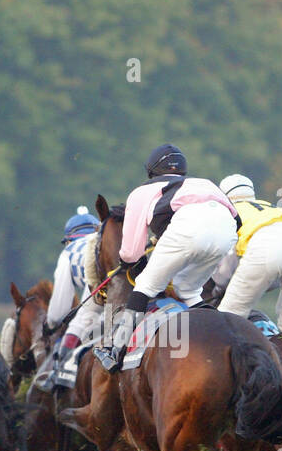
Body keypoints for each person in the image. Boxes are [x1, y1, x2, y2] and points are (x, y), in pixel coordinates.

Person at [94, 144, 239, 372]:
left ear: (151, 170)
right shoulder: (204, 183)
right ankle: (221, 334)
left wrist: (127, 261)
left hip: (188, 229)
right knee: (188, 290)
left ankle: (115, 347)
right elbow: (236, 220)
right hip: (227, 232)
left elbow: (131, 253)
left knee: (145, 286)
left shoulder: (142, 192)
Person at [213, 175, 282, 331]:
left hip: (266, 247)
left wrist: (217, 289)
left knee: (229, 317)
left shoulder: (228, 213)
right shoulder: (274, 208)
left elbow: (224, 276)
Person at [45, 207, 103, 362]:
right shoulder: (105, 240)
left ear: (69, 240)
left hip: (99, 289)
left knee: (81, 322)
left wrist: (50, 324)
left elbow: (59, 310)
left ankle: (62, 372)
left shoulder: (68, 252)